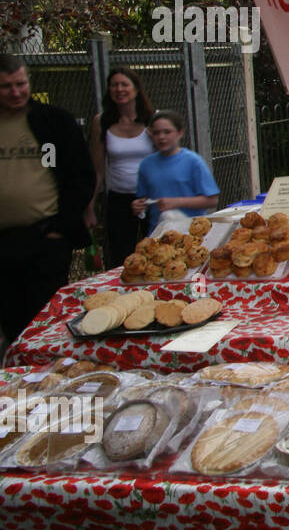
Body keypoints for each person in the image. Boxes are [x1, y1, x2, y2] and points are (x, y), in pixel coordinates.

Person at [0, 53, 94, 350]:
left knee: (46, 321)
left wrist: (60, 228)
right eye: (6, 87)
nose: (16, 92)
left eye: (21, 84)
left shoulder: (53, 121)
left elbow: (81, 175)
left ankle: (51, 376)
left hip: (45, 238)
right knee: (12, 321)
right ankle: (18, 384)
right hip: (4, 242)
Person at [89, 67, 155, 268]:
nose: (119, 89)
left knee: (155, 252)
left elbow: (170, 157)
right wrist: (90, 206)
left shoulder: (153, 119)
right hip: (119, 198)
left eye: (124, 84)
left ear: (136, 89)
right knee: (120, 258)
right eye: (114, 85)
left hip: (151, 198)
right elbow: (98, 169)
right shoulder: (101, 122)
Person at [132, 111, 219, 232]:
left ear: (180, 133)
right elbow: (145, 199)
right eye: (156, 133)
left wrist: (176, 202)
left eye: (167, 132)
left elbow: (212, 200)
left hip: (191, 232)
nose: (162, 137)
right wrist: (139, 205)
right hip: (158, 233)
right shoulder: (146, 165)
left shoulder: (193, 161)